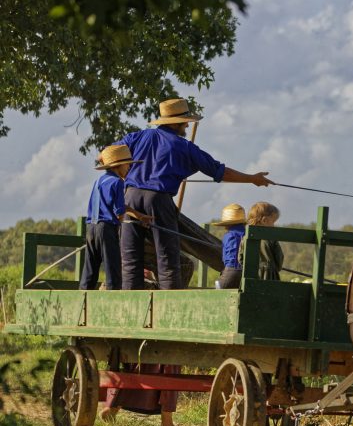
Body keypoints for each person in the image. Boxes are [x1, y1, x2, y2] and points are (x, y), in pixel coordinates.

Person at [116, 97, 273, 291]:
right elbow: (220, 171)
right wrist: (251, 178)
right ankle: (166, 309)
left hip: (129, 197)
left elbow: (107, 154)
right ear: (177, 122)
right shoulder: (184, 147)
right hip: (158, 200)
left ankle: (129, 308)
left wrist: (126, 175)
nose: (187, 127)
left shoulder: (137, 137)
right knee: (167, 259)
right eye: (186, 123)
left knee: (130, 258)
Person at [80, 145, 152, 290]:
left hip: (91, 228)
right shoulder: (118, 182)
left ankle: (82, 297)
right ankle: (114, 299)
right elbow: (119, 212)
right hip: (106, 229)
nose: (129, 168)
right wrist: (119, 226)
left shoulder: (99, 181)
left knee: (90, 269)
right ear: (118, 165)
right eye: (127, 165)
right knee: (113, 268)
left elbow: (112, 204)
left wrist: (139, 216)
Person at [246, 202, 283, 281]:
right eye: (273, 222)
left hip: (249, 277)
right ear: (264, 220)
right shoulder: (271, 237)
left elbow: (240, 258)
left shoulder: (245, 237)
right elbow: (279, 258)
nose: (274, 226)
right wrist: (275, 268)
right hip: (269, 277)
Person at [213, 203, 247, 289]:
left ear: (227, 224)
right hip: (248, 273)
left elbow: (230, 258)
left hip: (232, 271)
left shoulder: (229, 235)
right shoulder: (248, 234)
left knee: (217, 291)